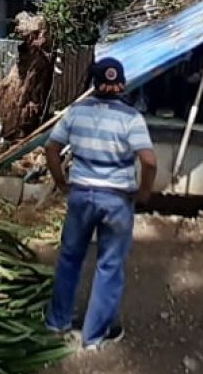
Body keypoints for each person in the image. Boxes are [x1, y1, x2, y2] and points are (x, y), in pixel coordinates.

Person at [45, 58, 157, 350]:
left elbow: (51, 148)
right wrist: (144, 192)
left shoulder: (75, 112)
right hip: (117, 199)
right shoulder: (132, 118)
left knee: (70, 258)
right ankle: (93, 336)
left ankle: (57, 322)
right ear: (120, 84)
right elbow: (149, 161)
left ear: (93, 84)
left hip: (81, 194)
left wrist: (60, 182)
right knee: (109, 265)